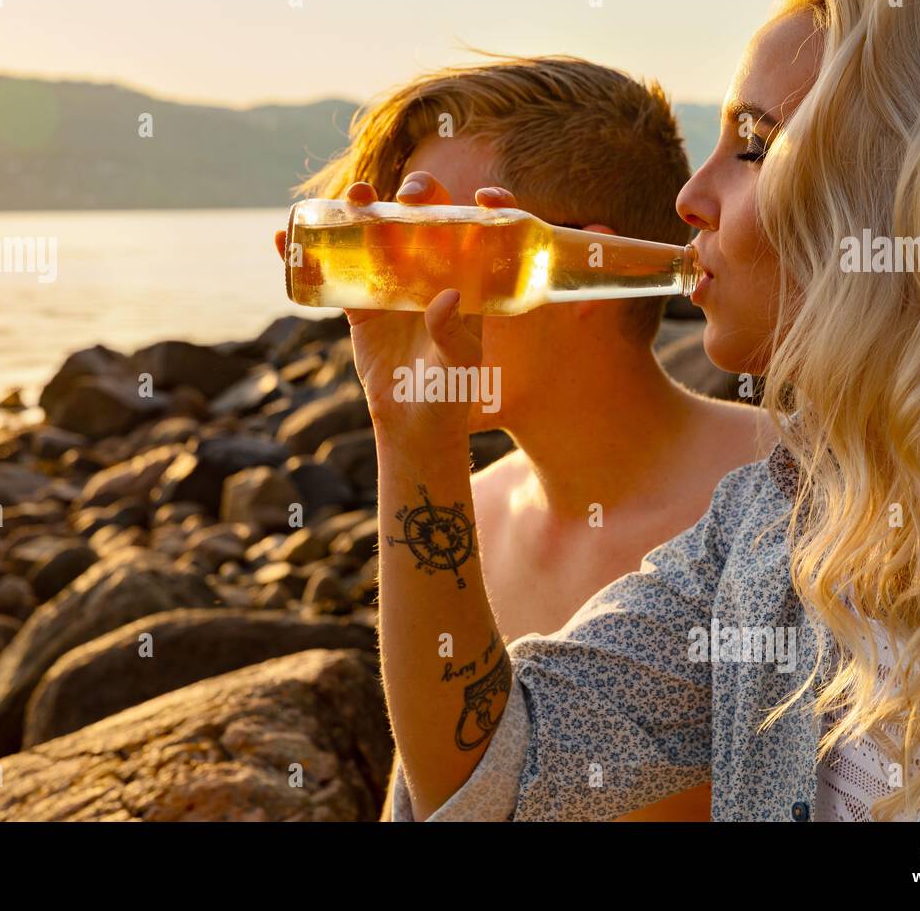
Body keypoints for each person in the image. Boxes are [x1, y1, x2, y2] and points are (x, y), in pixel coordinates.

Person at [346, 0, 920, 820]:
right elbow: (493, 774)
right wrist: (415, 443)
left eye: (755, 145)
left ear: (918, 194)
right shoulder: (772, 530)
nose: (690, 197)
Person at [285, 56, 772, 820]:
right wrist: (409, 426)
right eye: (397, 238)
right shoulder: (457, 515)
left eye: (442, 238)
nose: (398, 278)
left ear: (581, 267)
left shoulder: (798, 496)